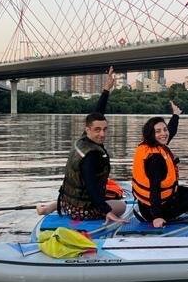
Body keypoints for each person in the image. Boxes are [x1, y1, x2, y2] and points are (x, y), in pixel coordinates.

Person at [35, 67, 127, 223]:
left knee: (97, 193)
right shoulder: (92, 155)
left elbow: (97, 114)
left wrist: (106, 90)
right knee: (122, 206)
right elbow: (91, 186)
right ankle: (86, 213)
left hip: (66, 201)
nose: (102, 134)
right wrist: (107, 211)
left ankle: (48, 207)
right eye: (97, 130)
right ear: (88, 129)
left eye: (104, 129)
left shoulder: (83, 139)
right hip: (82, 210)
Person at [132, 102, 188, 227]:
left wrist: (176, 115)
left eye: (164, 129)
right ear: (151, 134)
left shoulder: (153, 145)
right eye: (158, 131)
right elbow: (154, 189)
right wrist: (157, 217)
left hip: (151, 203)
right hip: (156, 210)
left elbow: (171, 131)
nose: (163, 133)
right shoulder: (155, 159)